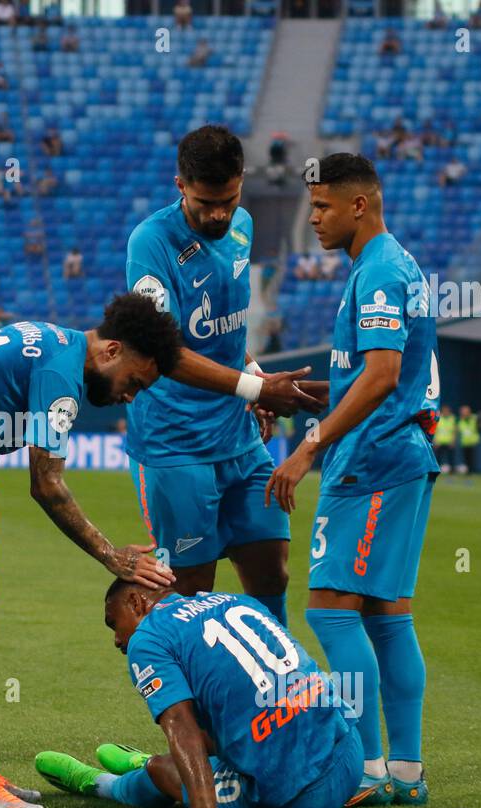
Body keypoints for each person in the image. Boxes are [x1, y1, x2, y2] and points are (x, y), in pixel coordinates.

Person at [0, 295, 192, 808]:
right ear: (112, 350)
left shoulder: (50, 339)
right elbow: (47, 485)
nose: (129, 397)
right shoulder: (61, 376)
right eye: (134, 383)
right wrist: (114, 557)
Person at [267, 153, 440, 808]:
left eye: (322, 207)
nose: (312, 219)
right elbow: (369, 375)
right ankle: (406, 771)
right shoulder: (393, 265)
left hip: (371, 461)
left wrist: (308, 447)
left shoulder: (377, 273)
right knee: (388, 616)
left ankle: (365, 769)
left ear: (358, 205)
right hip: (398, 454)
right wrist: (316, 396)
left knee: (331, 611)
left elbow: (382, 375)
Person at [124, 125, 324, 627]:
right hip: (175, 444)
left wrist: (255, 374)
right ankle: (197, 702)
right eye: (204, 203)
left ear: (241, 183)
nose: (218, 214)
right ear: (180, 186)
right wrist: (258, 388)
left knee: (271, 573)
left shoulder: (243, 227)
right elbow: (163, 350)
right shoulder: (151, 243)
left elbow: (223, 332)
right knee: (192, 591)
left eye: (229, 200)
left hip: (238, 437)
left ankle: (274, 692)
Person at [34, 581, 362, 808]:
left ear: (136, 602)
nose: (118, 639)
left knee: (164, 771)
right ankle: (141, 761)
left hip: (303, 798)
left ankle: (103, 783)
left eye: (114, 623)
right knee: (242, 723)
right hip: (350, 754)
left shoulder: (147, 638)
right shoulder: (236, 599)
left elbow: (181, 726)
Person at [457, 405, 479, 474]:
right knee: (466, 458)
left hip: (473, 442)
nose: (463, 413)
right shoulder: (460, 421)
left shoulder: (474, 418)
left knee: (472, 458)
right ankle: (468, 471)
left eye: (465, 412)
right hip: (465, 442)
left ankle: (472, 471)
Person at [434, 404, 456, 472]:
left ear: (449, 411)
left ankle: (452, 471)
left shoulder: (452, 418)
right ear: (442, 411)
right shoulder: (438, 418)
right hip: (439, 442)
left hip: (449, 442)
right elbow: (435, 430)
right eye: (444, 411)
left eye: (447, 411)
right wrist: (435, 441)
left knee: (451, 458)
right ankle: (436, 471)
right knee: (438, 458)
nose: (446, 412)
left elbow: (454, 431)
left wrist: (453, 441)